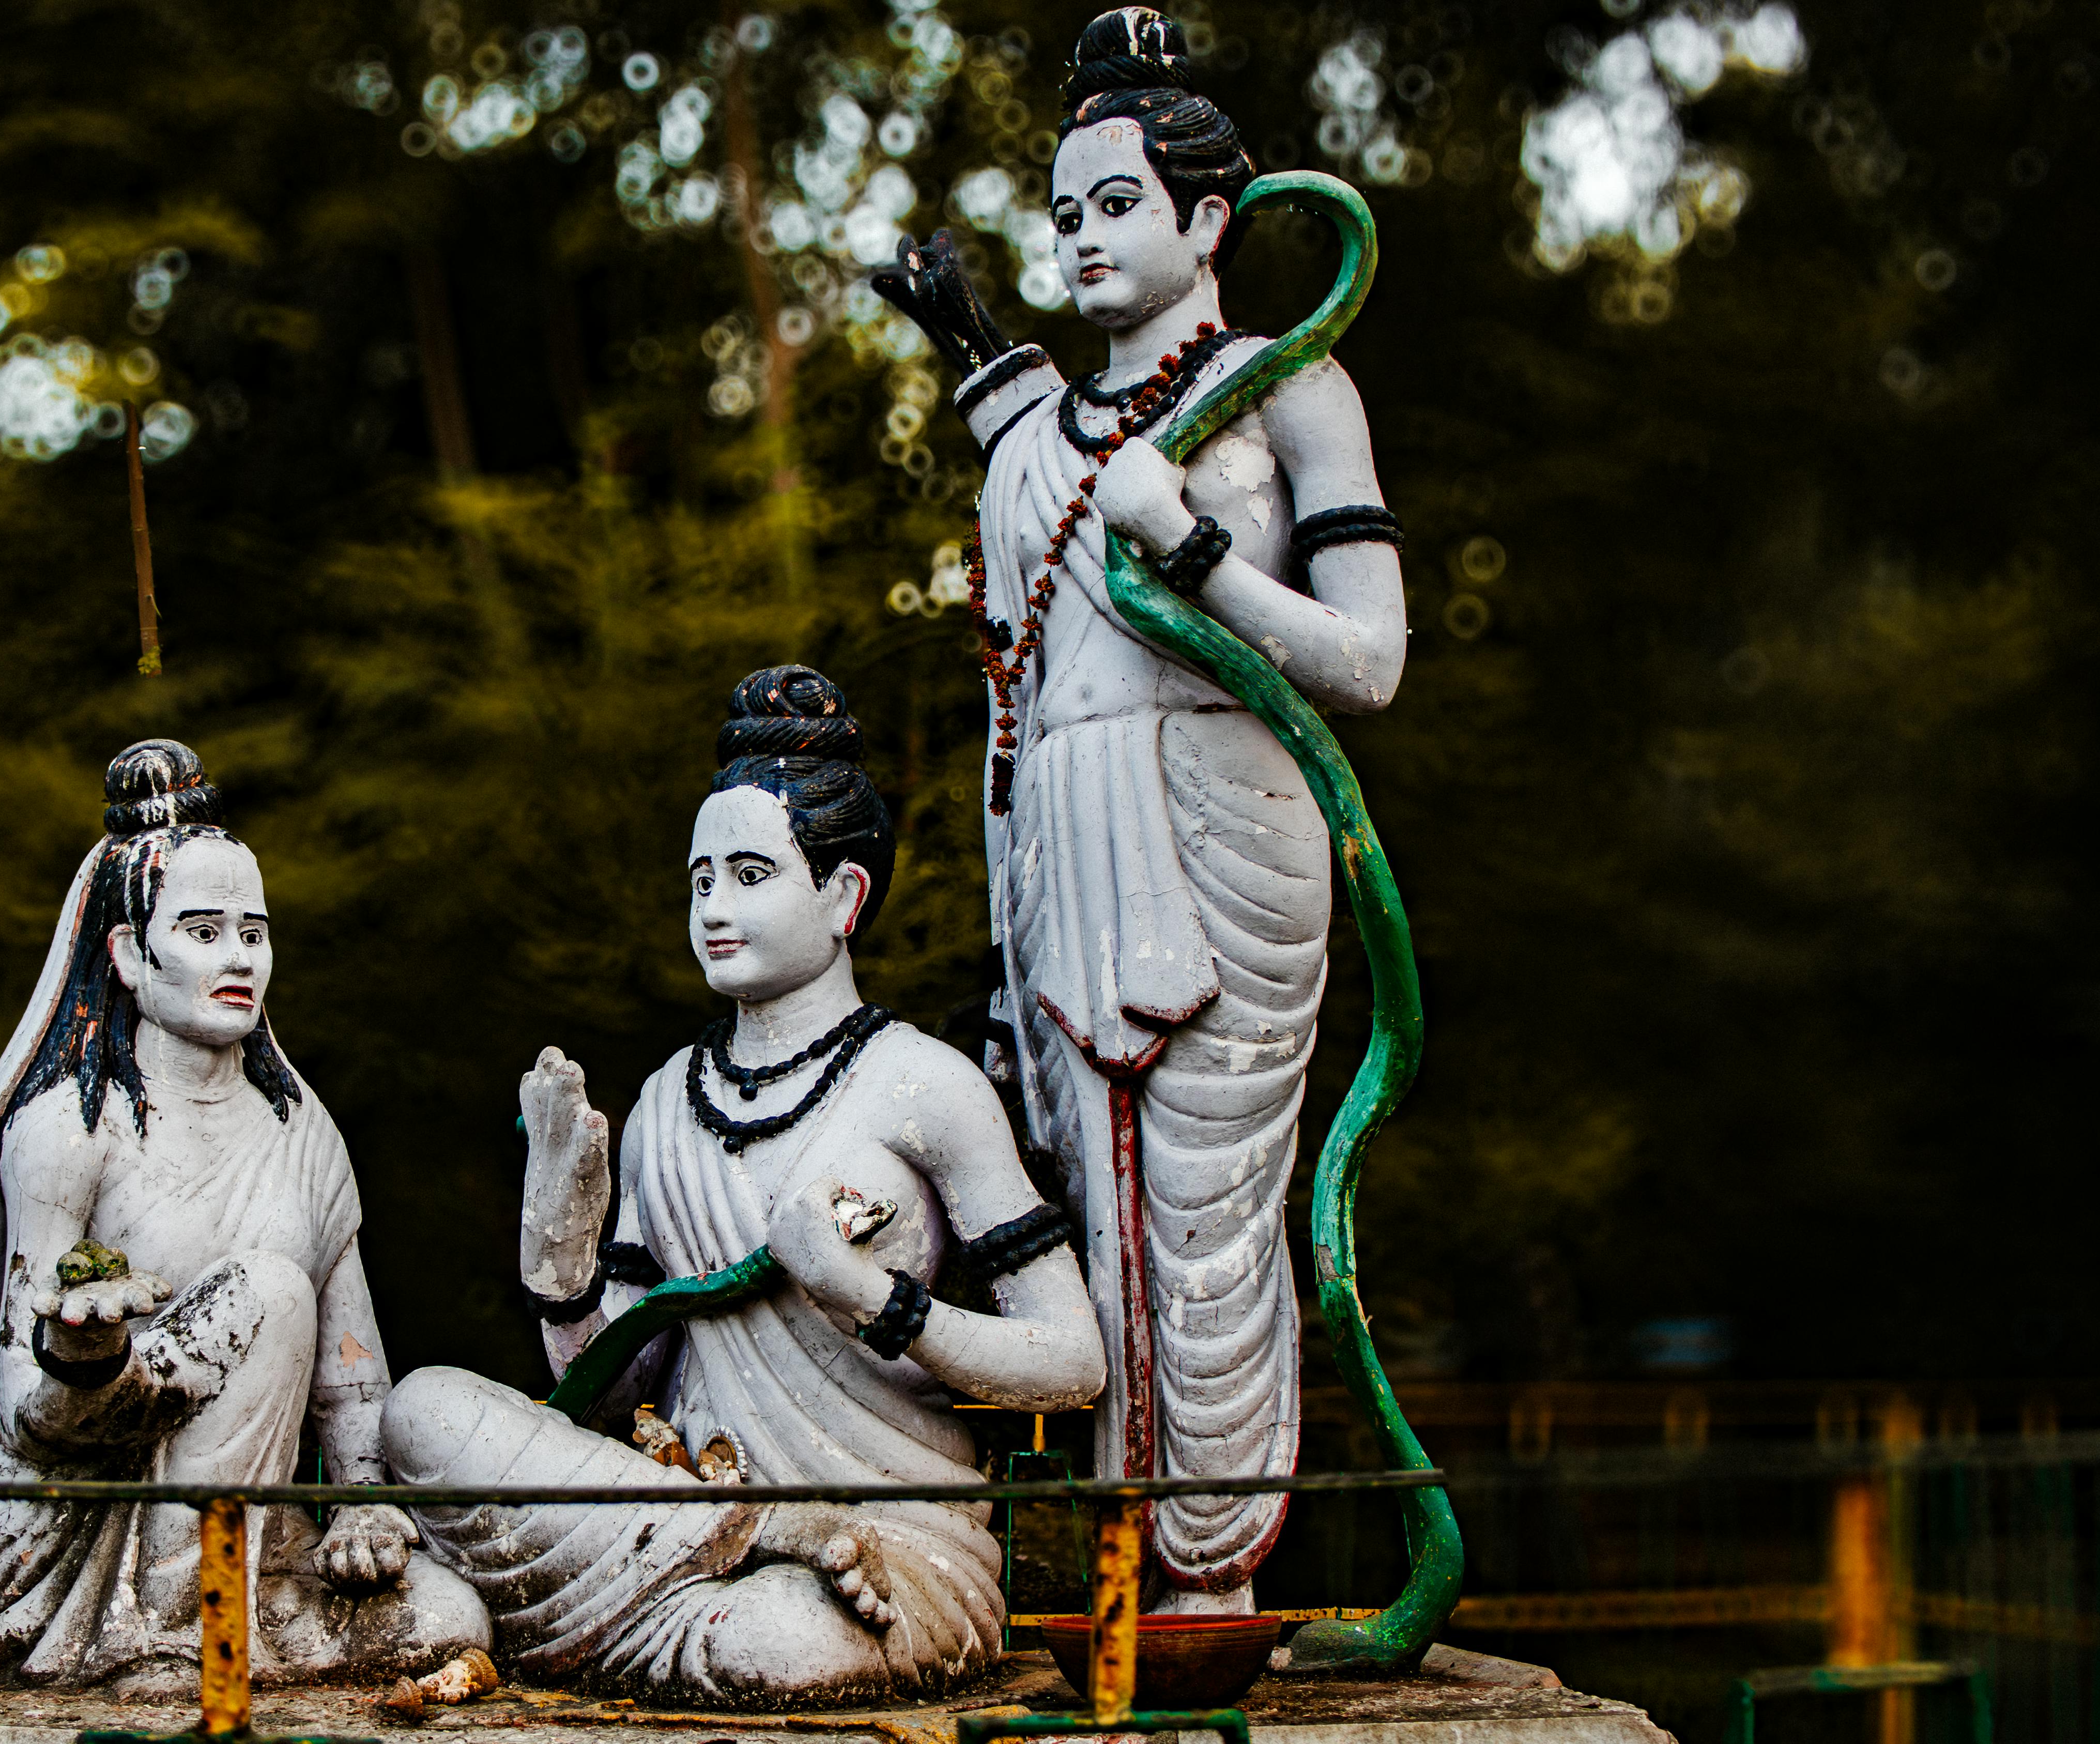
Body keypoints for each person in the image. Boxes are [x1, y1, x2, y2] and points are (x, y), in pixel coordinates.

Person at [882, 8, 1411, 1615]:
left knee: (1205, 1222)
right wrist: (997, 915)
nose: (1086, 239)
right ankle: (1099, 1573)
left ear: (1209, 221)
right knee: (1076, 1212)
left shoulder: (1291, 387)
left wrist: (1191, 550)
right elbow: (1005, 709)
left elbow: (1372, 663)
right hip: (1064, 838)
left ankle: (1209, 1587)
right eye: (1065, 212)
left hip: (1227, 818)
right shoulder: (1032, 440)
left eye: (1119, 203)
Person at [381, 668, 1107, 1708]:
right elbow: (618, 1394)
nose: (715, 906)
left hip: (889, 1540)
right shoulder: (670, 1099)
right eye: (701, 878)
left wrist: (874, 1300)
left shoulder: (924, 1088)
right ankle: (740, 1546)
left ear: (843, 895)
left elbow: (1072, 1361)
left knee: (779, 1639)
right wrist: (560, 1258)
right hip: (688, 1511)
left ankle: (546, 1621)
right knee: (423, 1410)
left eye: (752, 873)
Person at [0, 739, 489, 1690]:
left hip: (253, 1529)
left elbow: (353, 1381)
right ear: (131, 957)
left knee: (447, 1615)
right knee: (266, 1286)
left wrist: (360, 1506)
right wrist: (94, 1365)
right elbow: (30, 1422)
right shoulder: (70, 1128)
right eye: (203, 930)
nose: (239, 959)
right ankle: (175, 1628)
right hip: (54, 1520)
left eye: (254, 932)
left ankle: (231, 1610)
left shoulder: (302, 1129)